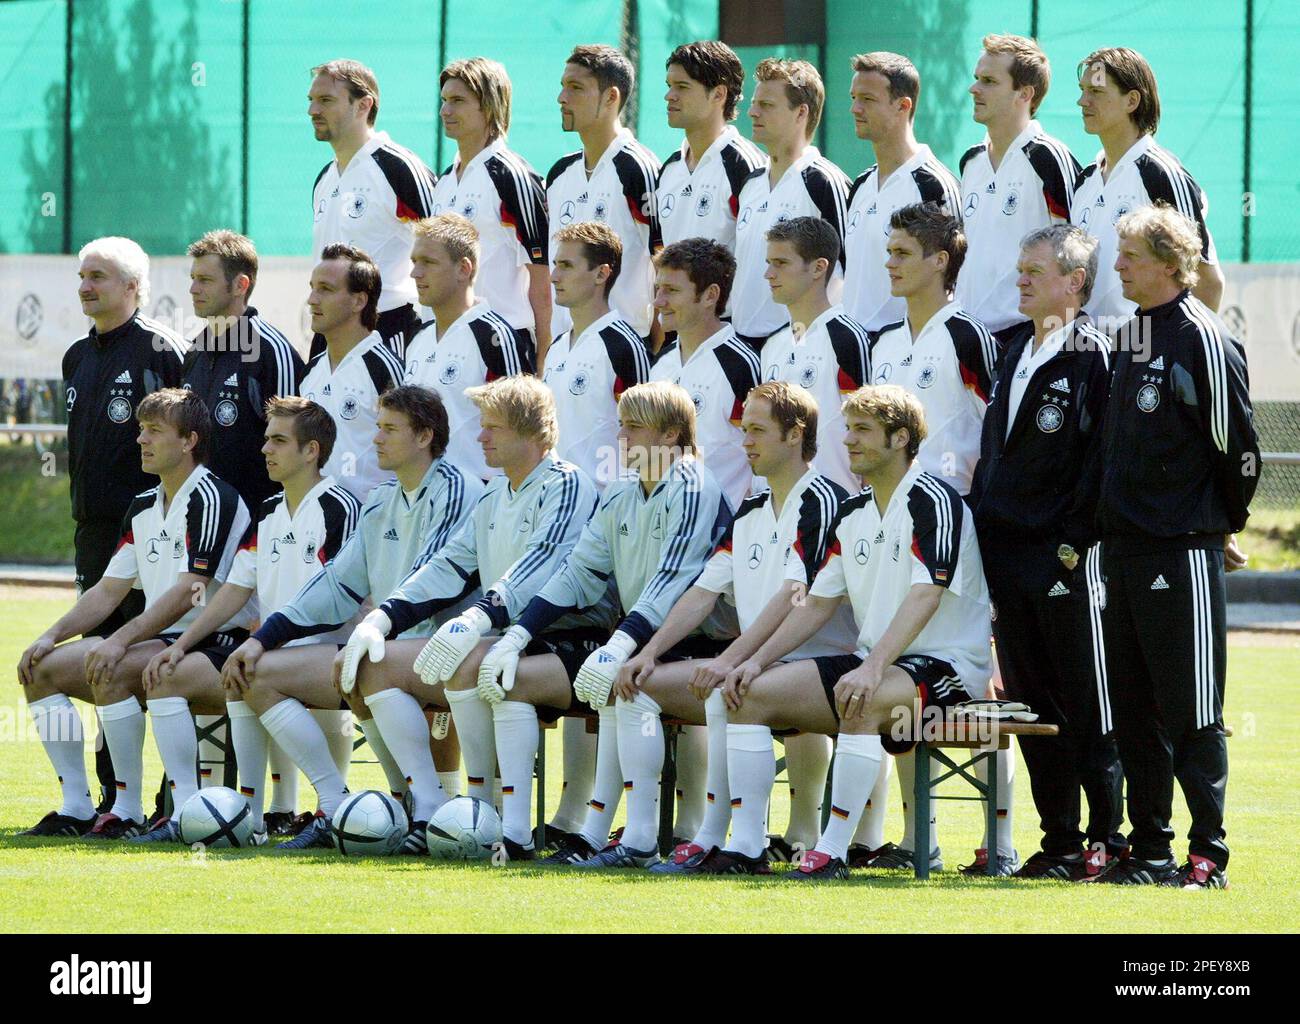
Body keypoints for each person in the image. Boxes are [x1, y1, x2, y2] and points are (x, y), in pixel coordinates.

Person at [721, 385, 992, 880]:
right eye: (847, 429)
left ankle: (833, 851)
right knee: (747, 695)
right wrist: (754, 661)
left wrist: (871, 667)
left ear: (901, 438)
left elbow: (925, 595)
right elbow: (817, 603)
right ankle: (745, 847)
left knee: (859, 701)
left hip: (949, 667)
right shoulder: (853, 512)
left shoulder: (935, 499)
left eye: (863, 430)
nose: (848, 441)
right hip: (880, 664)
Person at [473, 380, 733, 868]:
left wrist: (617, 647)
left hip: (704, 643)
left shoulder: (695, 484)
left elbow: (673, 580)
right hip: (646, 640)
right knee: (609, 683)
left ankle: (632, 841)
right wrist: (518, 633)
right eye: (622, 425)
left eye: (635, 427)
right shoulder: (620, 492)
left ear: (672, 434)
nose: (623, 436)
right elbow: (577, 571)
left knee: (628, 686)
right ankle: (594, 835)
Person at [346, 375, 605, 855]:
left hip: (569, 638)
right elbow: (446, 565)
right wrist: (382, 619)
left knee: (471, 665)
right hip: (500, 638)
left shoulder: (567, 483)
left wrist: (476, 619)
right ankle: (429, 809)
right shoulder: (492, 494)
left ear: (531, 433)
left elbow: (542, 563)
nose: (480, 437)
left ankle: (497, 823)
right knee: (374, 665)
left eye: (493, 428)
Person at [222, 385, 484, 851]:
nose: (376, 439)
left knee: (369, 667)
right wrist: (263, 637)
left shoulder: (457, 489)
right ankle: (337, 805)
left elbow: (437, 577)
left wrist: (375, 626)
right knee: (254, 673)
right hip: (380, 647)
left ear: (424, 437)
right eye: (377, 427)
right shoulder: (381, 499)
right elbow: (335, 584)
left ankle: (424, 812)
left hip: (450, 653)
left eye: (389, 429)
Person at [617, 381, 858, 873]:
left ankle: (736, 843)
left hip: (816, 665)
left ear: (795, 435)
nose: (745, 441)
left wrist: (732, 660)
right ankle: (640, 838)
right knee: (632, 686)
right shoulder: (750, 506)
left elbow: (794, 598)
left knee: (732, 690)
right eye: (743, 429)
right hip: (756, 661)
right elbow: (702, 593)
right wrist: (648, 650)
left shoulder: (823, 500)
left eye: (756, 430)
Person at [1090, 204, 1258, 888]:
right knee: (1133, 710)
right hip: (1121, 551)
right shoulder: (1130, 335)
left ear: (1168, 262)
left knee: (1192, 709)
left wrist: (1216, 525)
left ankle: (1206, 855)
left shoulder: (1202, 337)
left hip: (1179, 550)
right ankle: (1150, 851)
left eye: (1130, 254)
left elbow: (1237, 448)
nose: (1118, 265)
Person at [19, 389, 252, 839]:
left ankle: (137, 810)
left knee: (111, 665)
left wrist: (120, 639)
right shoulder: (143, 505)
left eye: (154, 431)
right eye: (141, 430)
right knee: (39, 669)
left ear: (189, 441)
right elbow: (108, 590)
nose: (141, 440)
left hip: (217, 643)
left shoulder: (212, 497)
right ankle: (77, 808)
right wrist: (50, 635)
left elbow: (191, 591)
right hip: (163, 644)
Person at [967, 224, 1126, 878]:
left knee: (1084, 700)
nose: (1021, 279)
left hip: (1062, 558)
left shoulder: (1094, 354)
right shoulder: (1012, 350)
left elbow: (1101, 461)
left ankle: (1106, 838)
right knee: (1030, 707)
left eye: (1035, 270)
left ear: (1074, 282)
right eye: (1020, 268)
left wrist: (1072, 540)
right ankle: (1058, 839)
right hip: (1005, 555)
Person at [130, 398, 360, 843]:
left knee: (249, 670)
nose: (265, 450)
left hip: (332, 656)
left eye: (278, 440)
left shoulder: (339, 507)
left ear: (312, 451)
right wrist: (179, 645)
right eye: (266, 439)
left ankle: (333, 804)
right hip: (274, 656)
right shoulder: (270, 511)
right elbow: (234, 591)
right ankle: (245, 820)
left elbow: (346, 595)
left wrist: (270, 641)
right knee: (236, 668)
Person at [61, 236, 186, 812]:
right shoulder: (75, 357)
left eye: (100, 277)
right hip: (94, 534)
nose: (86, 286)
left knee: (165, 658)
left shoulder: (163, 352)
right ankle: (113, 799)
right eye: (84, 276)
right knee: (102, 660)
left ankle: (177, 793)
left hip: (153, 532)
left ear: (133, 287)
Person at [1072, 47, 1223, 325]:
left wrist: (1165, 355)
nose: (1082, 100)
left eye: (1096, 91)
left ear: (1131, 100)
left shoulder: (1160, 174)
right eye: (1082, 90)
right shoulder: (1084, 181)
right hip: (1089, 358)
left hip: (1142, 357)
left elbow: (1207, 283)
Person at [309, 59, 439, 360]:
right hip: (328, 337)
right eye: (312, 101)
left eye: (326, 100)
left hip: (387, 332)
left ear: (363, 105)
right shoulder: (324, 180)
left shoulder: (398, 168)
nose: (313, 111)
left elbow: (446, 246)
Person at [955, 35, 1081, 343]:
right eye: (976, 79)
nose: (974, 89)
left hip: (1026, 334)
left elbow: (1077, 254)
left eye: (988, 81)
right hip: (966, 337)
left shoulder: (1047, 158)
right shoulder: (971, 162)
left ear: (1024, 94)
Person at [870, 202, 996, 496]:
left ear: (940, 260)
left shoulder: (969, 338)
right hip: (886, 505)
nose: (890, 263)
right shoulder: (882, 342)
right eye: (890, 253)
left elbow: (996, 433)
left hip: (955, 503)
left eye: (902, 254)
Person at [431, 58, 551, 364]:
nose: (445, 110)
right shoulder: (444, 181)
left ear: (489, 105)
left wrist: (544, 359)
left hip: (503, 345)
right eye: (444, 100)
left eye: (457, 101)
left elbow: (542, 273)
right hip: (448, 342)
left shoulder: (513, 176)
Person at [403, 213, 534, 481]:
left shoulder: (494, 337)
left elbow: (522, 431)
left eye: (428, 262)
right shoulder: (418, 339)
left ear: (464, 268)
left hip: (478, 503)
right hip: (422, 503)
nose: (415, 273)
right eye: (415, 262)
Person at [731, 58, 849, 353]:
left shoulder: (823, 181)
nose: (753, 112)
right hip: (744, 342)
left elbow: (848, 269)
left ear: (801, 112)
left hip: (800, 346)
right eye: (755, 102)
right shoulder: (750, 184)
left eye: (767, 105)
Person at [182, 229, 305, 514]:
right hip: (198, 525)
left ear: (240, 284)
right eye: (193, 279)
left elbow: (294, 450)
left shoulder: (271, 352)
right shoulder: (194, 352)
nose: (193, 289)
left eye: (205, 280)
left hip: (254, 531)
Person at [547, 45, 662, 346]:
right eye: (562, 87)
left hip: (625, 349)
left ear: (611, 97)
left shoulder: (637, 168)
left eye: (576, 88)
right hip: (565, 348)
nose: (562, 98)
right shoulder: (559, 174)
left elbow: (663, 261)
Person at [842, 52, 961, 332]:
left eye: (868, 99)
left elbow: (954, 278)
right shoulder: (860, 185)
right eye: (853, 98)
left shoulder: (933, 185)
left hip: (906, 355)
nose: (855, 108)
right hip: (855, 352)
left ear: (903, 106)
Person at [760, 216, 872, 492]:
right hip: (778, 507)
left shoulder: (847, 338)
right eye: (769, 263)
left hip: (839, 503)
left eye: (782, 263)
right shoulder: (772, 345)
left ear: (819, 268)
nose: (769, 274)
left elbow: (869, 425)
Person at [649, 238, 760, 509]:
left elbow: (764, 455)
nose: (658, 301)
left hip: (721, 535)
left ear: (710, 295)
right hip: (663, 526)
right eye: (657, 289)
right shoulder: (661, 362)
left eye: (672, 290)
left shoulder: (741, 365)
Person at [543, 220, 651, 486]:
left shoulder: (624, 347)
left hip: (606, 508)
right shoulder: (556, 348)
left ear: (601, 274)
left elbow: (650, 437)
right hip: (556, 498)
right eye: (555, 265)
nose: (554, 276)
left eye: (566, 266)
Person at [299, 244, 405, 503]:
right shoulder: (311, 371)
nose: (312, 299)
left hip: (371, 527)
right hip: (318, 531)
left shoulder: (384, 369)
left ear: (359, 300)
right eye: (312, 288)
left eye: (326, 289)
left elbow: (411, 454)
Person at [656, 41, 765, 258]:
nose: (669, 95)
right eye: (669, 85)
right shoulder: (669, 168)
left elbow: (760, 258)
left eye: (682, 86)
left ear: (718, 94)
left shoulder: (745, 165)